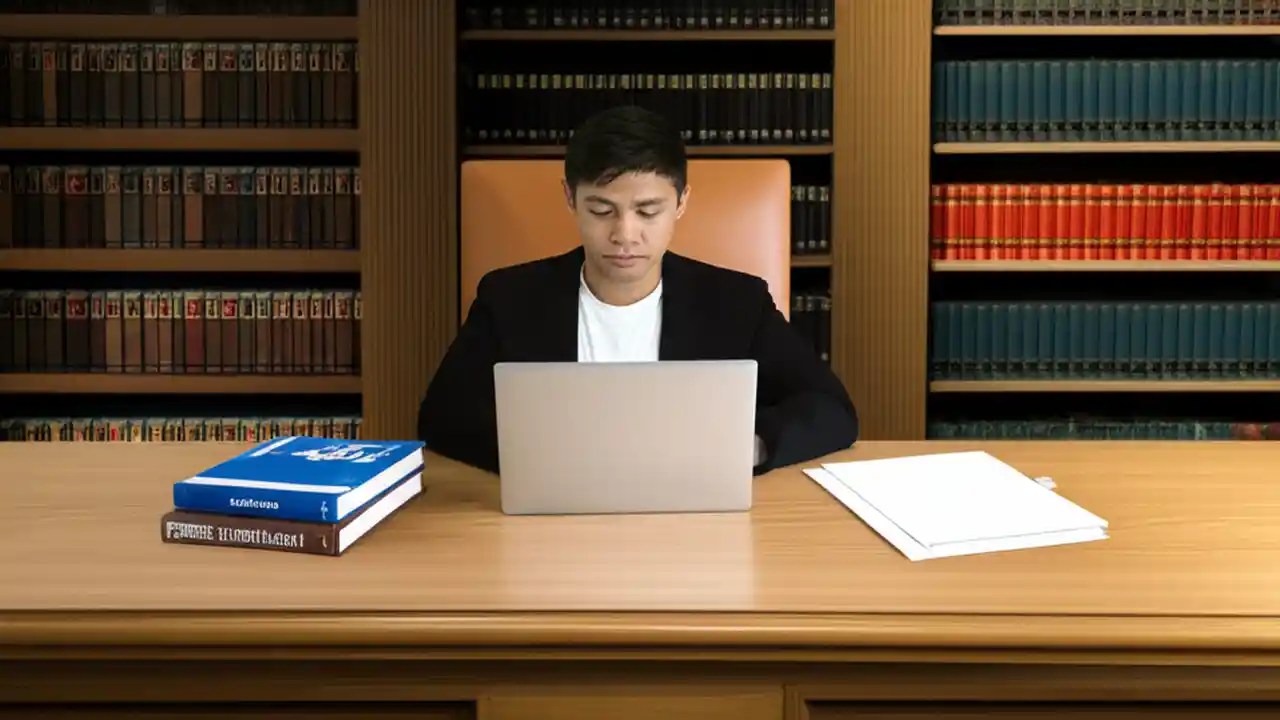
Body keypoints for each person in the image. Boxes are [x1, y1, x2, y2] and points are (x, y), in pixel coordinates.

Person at [417, 104, 858, 475]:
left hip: (694, 526)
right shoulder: (510, 298)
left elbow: (832, 410)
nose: (624, 234)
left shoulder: (736, 303)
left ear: (682, 202)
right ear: (570, 198)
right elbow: (442, 418)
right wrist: (547, 452)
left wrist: (750, 444)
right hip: (552, 521)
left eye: (648, 211)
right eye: (602, 209)